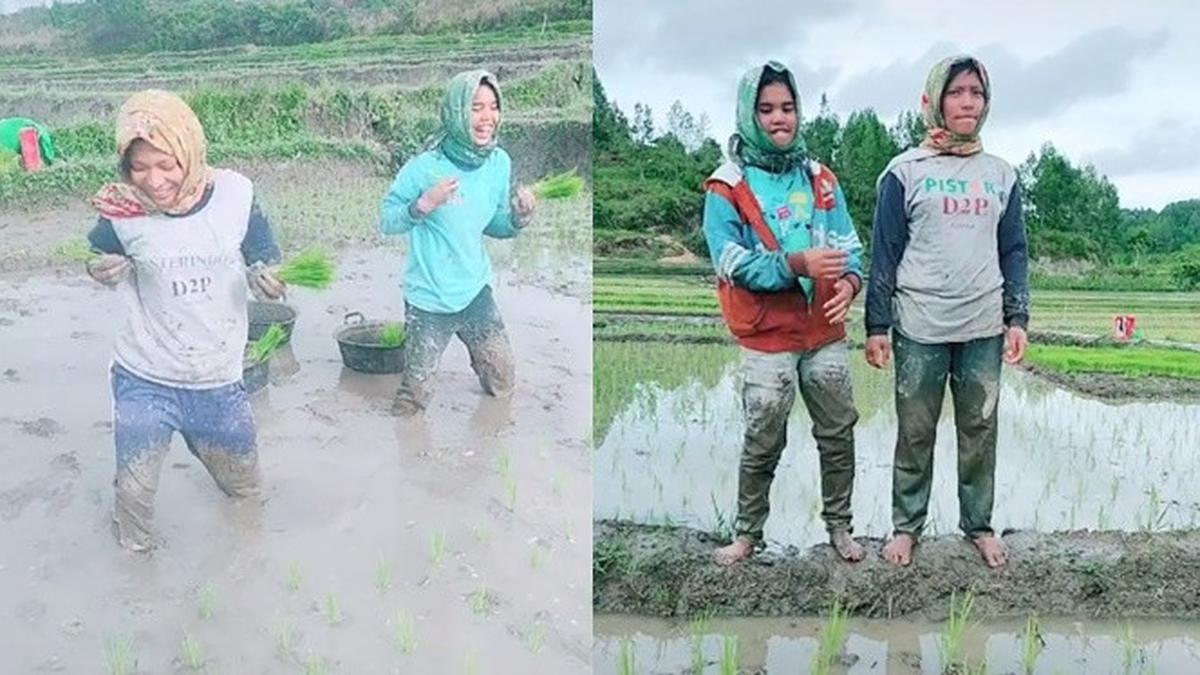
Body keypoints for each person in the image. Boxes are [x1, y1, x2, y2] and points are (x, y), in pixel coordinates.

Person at [84, 90, 287, 552]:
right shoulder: (122, 210)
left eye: (167, 164)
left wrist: (268, 274)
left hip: (216, 379)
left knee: (244, 491)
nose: (153, 181)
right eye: (139, 167)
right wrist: (99, 267)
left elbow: (264, 254)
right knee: (133, 495)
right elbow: (95, 253)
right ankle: (135, 577)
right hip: (145, 376)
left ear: (190, 153)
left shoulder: (235, 194)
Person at [864, 55, 1030, 569]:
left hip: (982, 325)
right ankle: (906, 527)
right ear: (936, 100)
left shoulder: (1001, 175)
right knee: (915, 432)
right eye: (957, 92)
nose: (967, 103)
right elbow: (885, 252)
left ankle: (978, 526)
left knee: (980, 429)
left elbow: (1014, 251)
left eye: (976, 94)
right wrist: (877, 325)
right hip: (919, 326)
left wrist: (1017, 317)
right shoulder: (904, 171)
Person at [702, 61, 866, 566]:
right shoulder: (727, 187)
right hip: (767, 335)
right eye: (767, 109)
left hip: (824, 331)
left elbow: (851, 247)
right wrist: (796, 263)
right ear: (749, 116)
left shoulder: (820, 179)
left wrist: (850, 284)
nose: (780, 119)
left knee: (837, 433)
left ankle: (840, 528)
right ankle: (748, 535)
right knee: (763, 436)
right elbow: (731, 263)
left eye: (788, 108)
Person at [379, 70, 536, 417]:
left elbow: (493, 224)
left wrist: (517, 219)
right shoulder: (425, 167)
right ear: (455, 112)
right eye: (475, 107)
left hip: (475, 292)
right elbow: (387, 220)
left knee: (503, 381)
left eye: (493, 107)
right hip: (429, 301)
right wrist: (424, 204)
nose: (486, 118)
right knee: (413, 401)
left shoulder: (499, 163)